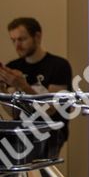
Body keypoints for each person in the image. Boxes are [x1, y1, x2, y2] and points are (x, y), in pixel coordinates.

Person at [1, 17, 74, 160]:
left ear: (37, 37)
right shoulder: (14, 65)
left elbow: (52, 109)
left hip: (50, 131)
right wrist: (2, 91)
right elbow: (14, 112)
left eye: (22, 39)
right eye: (13, 40)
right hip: (22, 130)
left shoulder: (58, 65)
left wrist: (22, 85)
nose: (17, 45)